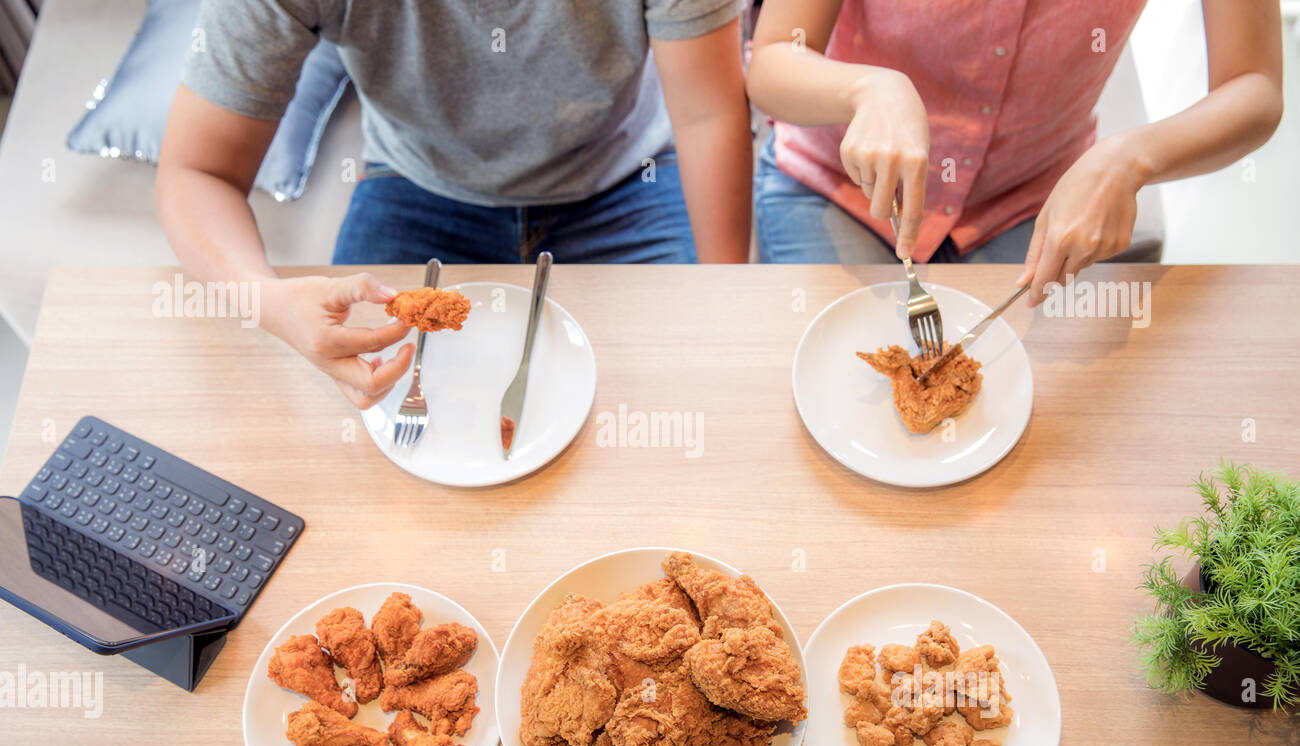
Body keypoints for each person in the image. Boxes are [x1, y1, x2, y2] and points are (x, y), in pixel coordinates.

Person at [157, 0, 752, 408]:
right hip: (415, 183)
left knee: (692, 397)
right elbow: (197, 171)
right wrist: (266, 299)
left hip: (628, 177)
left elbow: (709, 115)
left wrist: (725, 296)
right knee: (374, 423)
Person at [746, 0, 1283, 305]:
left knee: (1021, 434)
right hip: (839, 188)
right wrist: (866, 89)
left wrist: (1132, 158)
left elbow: (1253, 85)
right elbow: (772, 60)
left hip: (1030, 202)